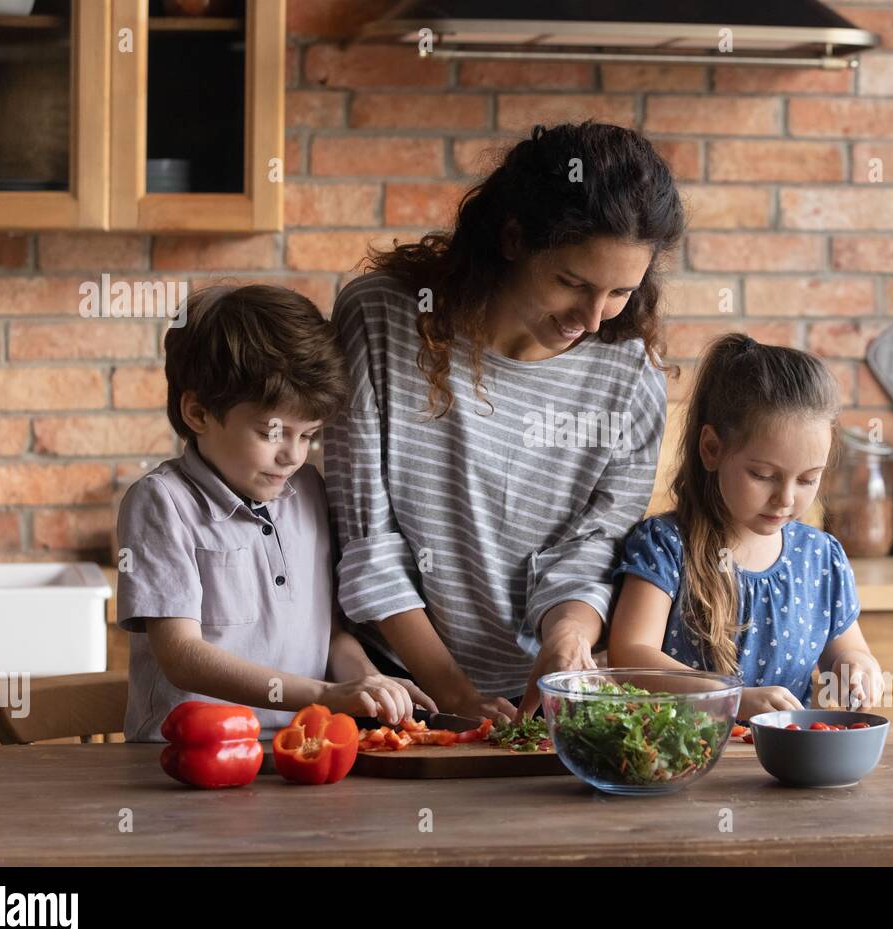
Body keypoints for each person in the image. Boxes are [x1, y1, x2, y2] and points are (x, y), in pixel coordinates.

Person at [325, 121, 685, 722]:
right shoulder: (385, 319)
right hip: (393, 695)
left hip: (546, 704)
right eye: (572, 282)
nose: (594, 319)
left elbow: (593, 544)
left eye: (621, 291)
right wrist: (454, 695)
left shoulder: (628, 375)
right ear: (513, 238)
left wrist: (568, 632)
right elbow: (369, 542)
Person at [116, 284, 433, 742]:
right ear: (198, 413)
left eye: (309, 436)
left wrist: (366, 680)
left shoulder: (308, 491)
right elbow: (182, 655)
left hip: (298, 747)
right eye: (273, 433)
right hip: (185, 757)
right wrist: (323, 695)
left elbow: (329, 634)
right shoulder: (162, 502)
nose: (293, 456)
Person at [608, 333, 884, 720]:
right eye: (764, 474)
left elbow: (846, 651)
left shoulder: (821, 557)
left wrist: (859, 667)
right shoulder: (666, 546)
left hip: (785, 763)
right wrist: (730, 698)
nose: (786, 498)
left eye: (807, 479)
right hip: (682, 759)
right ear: (712, 450)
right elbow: (631, 656)